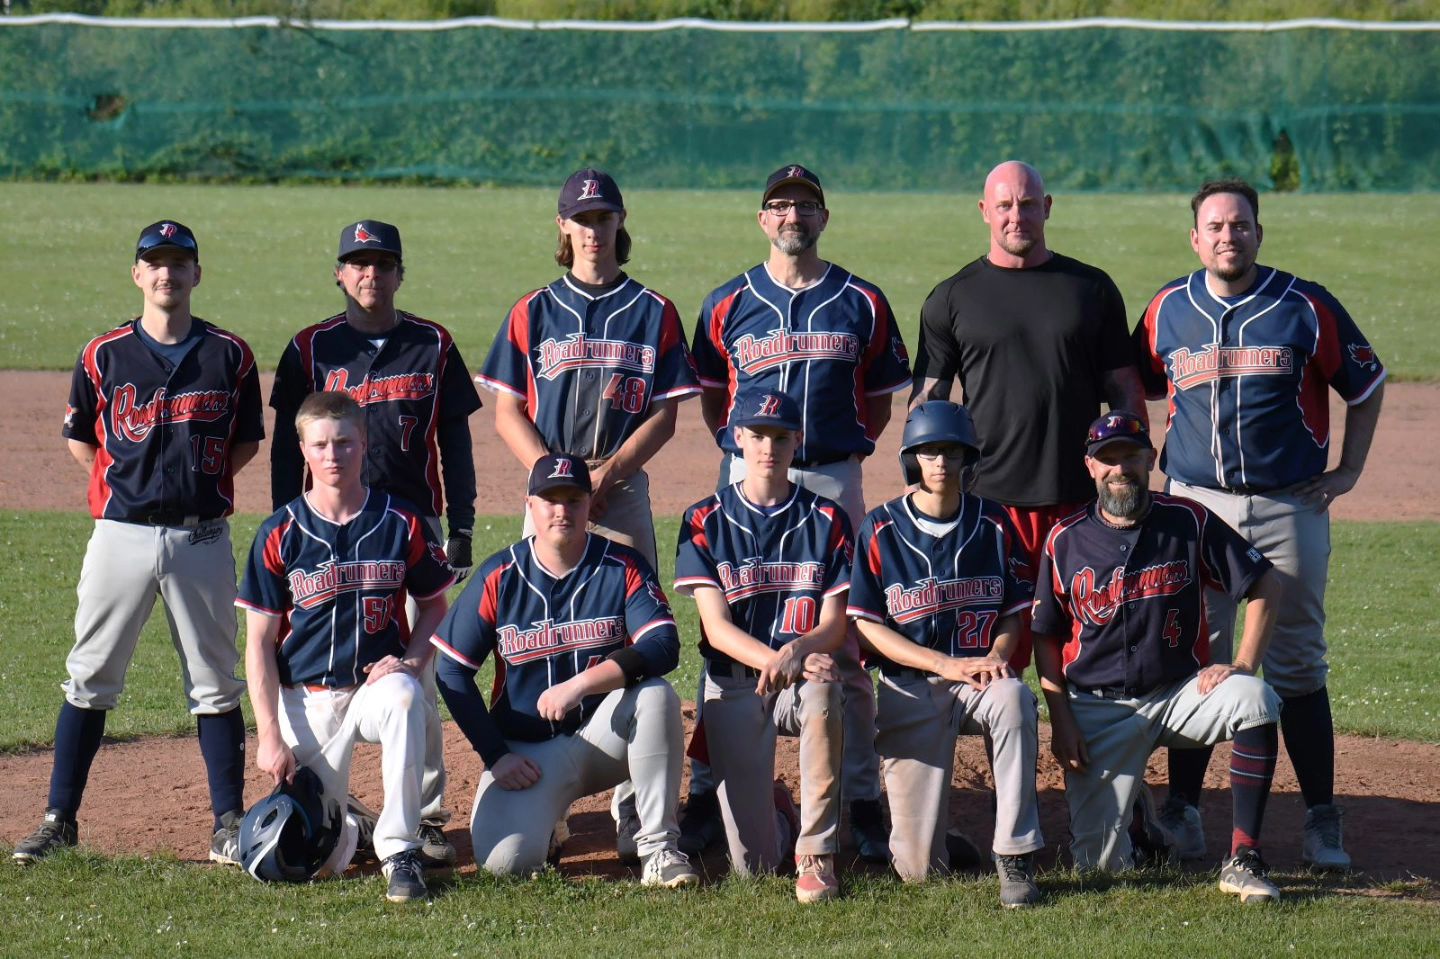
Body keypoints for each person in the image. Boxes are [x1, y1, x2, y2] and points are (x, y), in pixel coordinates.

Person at [1132, 179, 1386, 870]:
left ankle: (1321, 819)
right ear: (1195, 238)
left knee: (1298, 661)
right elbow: (1135, 388)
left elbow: (1366, 384)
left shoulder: (1303, 303)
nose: (1227, 236)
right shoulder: (1165, 308)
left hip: (1287, 505)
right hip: (1195, 508)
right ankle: (1184, 809)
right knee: (1196, 655)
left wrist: (1347, 472)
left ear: (1258, 232)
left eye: (1239, 224)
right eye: (1214, 225)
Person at [13, 220, 263, 865]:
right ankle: (58, 820)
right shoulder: (104, 354)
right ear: (137, 274)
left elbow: (243, 443)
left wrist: (196, 489)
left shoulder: (230, 355)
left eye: (180, 263)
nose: (167, 274)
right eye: (155, 263)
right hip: (118, 535)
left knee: (214, 683)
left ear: (196, 275)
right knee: (90, 675)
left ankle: (227, 823)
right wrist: (127, 489)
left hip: (200, 535)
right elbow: (81, 440)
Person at [689, 163, 912, 861]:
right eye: (780, 205)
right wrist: (748, 453)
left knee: (842, 641)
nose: (792, 216)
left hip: (832, 476)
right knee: (727, 620)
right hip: (749, 472)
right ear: (763, 219)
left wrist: (846, 453)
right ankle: (703, 785)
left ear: (823, 217)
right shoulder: (727, 301)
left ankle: (860, 795)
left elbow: (879, 399)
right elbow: (710, 399)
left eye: (805, 205)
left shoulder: (862, 300)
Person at [477, 168, 700, 860]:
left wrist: (608, 473)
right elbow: (507, 407)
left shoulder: (653, 309)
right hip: (551, 485)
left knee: (632, 634)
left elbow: (666, 414)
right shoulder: (533, 310)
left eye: (604, 218)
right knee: (534, 626)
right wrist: (557, 480)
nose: (593, 229)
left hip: (622, 483)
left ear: (619, 223)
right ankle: (536, 766)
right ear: (563, 227)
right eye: (582, 218)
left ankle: (637, 809)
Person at [270, 219, 481, 868]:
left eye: (383, 263)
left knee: (416, 673)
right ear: (339, 272)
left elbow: (456, 441)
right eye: (357, 263)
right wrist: (285, 526)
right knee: (319, 667)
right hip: (326, 534)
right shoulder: (310, 347)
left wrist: (463, 521)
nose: (370, 274)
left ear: (399, 273)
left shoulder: (433, 343)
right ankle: (329, 799)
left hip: (411, 532)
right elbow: (286, 450)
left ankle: (423, 817)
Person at [1032, 411, 1285, 904]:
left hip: (1179, 695)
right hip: (1098, 708)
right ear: (1090, 466)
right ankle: (1143, 825)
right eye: (1108, 458)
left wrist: (1243, 663)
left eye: (1130, 455)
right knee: (1099, 870)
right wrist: (1061, 719)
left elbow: (1265, 584)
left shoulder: (1186, 520)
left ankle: (1244, 856)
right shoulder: (1065, 539)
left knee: (1255, 698)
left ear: (1150, 459)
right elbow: (1045, 637)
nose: (1119, 468)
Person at [909, 160, 1146, 673]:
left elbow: (1125, 393)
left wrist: (1128, 473)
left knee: (1093, 648)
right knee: (992, 657)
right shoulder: (952, 297)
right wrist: (922, 483)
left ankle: (1098, 749)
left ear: (1048, 207)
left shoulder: (1091, 289)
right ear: (984, 211)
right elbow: (927, 404)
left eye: (1028, 203)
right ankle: (996, 751)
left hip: (1081, 503)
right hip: (990, 505)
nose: (1017, 215)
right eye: (1005, 205)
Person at [432, 454, 697, 888]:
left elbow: (663, 644)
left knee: (656, 697)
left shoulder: (621, 565)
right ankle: (550, 819)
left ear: (590, 504)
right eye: (550, 499)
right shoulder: (501, 574)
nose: (562, 510)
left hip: (603, 739)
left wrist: (582, 684)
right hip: (530, 755)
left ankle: (658, 848)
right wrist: (495, 755)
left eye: (573, 499)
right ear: (530, 505)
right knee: (506, 865)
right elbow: (452, 671)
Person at [238, 391, 454, 903]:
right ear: (304, 449)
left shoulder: (400, 521)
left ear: (365, 444)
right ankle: (352, 822)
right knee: (319, 861)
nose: (333, 455)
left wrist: (409, 660)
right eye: (321, 445)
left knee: (404, 695)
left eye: (344, 443)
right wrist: (269, 735)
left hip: (372, 686)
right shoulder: (279, 532)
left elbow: (436, 606)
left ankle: (400, 850)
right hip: (305, 700)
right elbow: (258, 645)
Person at [847, 401, 1043, 908]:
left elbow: (1013, 613)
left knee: (1015, 700)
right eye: (930, 451)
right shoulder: (881, 528)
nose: (940, 462)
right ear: (912, 459)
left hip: (980, 679)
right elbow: (866, 627)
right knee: (918, 873)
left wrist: (999, 653)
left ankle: (1014, 854)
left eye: (951, 452)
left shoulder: (996, 524)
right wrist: (941, 664)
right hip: (909, 686)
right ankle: (937, 838)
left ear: (967, 458)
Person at [674, 390, 850, 903]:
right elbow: (715, 628)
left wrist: (801, 652)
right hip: (735, 684)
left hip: (803, 678)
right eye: (756, 435)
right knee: (754, 866)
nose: (768, 446)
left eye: (779, 436)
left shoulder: (828, 518)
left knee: (823, 694)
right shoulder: (704, 518)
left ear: (797, 441)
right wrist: (783, 658)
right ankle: (778, 810)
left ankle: (817, 854)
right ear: (736, 441)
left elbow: (834, 625)